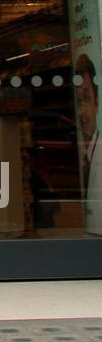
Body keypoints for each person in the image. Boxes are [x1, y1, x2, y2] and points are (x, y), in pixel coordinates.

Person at [75, 53, 102, 236]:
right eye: (78, 102)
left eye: (86, 99)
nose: (81, 112)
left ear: (97, 102)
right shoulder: (87, 155)